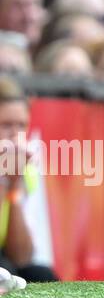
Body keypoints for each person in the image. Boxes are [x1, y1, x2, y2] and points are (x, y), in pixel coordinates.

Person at [0, 77, 56, 283]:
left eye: (21, 126)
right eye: (5, 125)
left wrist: (13, 186)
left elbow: (22, 256)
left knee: (41, 274)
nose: (15, 135)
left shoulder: (27, 169)